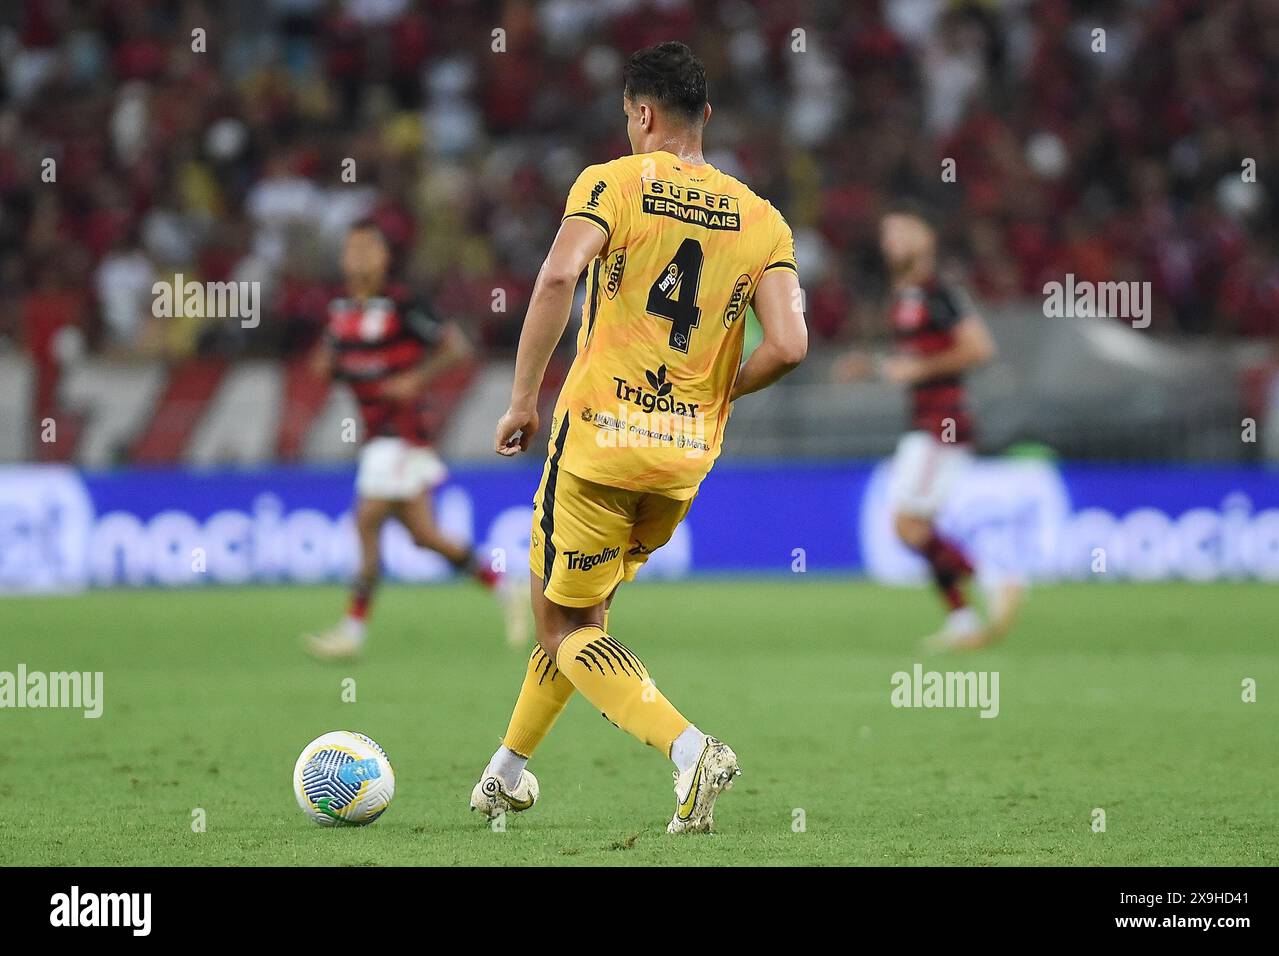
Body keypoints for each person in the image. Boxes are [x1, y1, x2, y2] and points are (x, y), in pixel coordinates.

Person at [468, 41, 807, 833]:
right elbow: (789, 346)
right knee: (584, 620)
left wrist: (522, 399)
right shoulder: (764, 220)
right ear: (707, 118)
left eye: (629, 119)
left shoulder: (612, 183)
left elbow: (557, 277)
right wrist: (717, 389)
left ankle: (691, 750)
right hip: (683, 459)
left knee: (562, 630)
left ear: (643, 114)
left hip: (599, 443)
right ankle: (504, 775)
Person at [303, 221, 528, 660]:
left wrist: (415, 378)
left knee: (367, 519)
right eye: (351, 249)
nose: (358, 257)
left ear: (384, 258)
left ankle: (352, 631)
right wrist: (327, 364)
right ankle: (506, 587)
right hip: (374, 433)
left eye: (368, 248)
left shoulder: (404, 303)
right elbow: (324, 364)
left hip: (403, 430)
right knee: (424, 535)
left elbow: (456, 347)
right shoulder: (341, 310)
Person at [836, 206, 1021, 650]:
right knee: (918, 526)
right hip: (925, 422)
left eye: (900, 231)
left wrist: (916, 371)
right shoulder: (904, 296)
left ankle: (996, 580)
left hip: (944, 425)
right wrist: (874, 366)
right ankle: (961, 619)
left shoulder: (939, 293)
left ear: (926, 240)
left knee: (907, 524)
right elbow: (910, 364)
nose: (890, 241)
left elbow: (978, 349)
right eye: (886, 234)